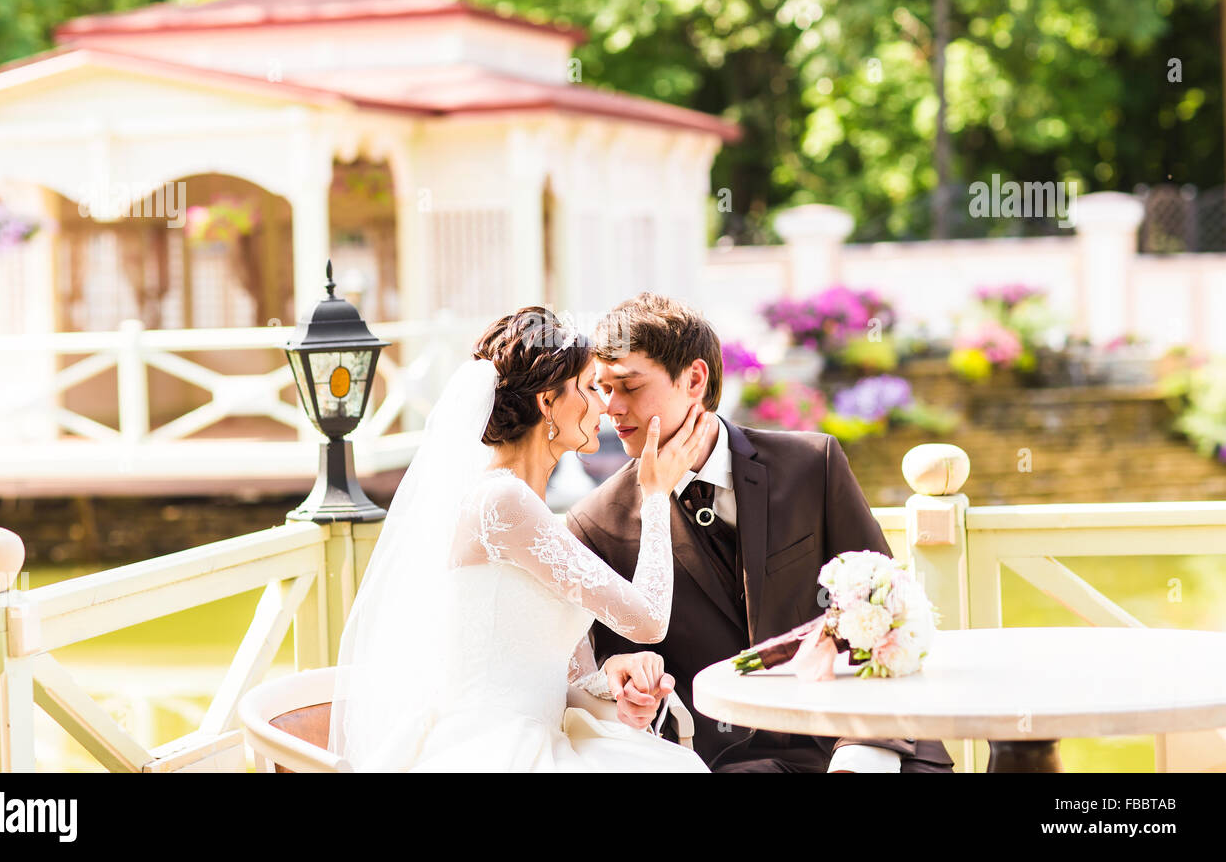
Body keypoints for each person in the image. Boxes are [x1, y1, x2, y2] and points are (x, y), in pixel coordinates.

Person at [566, 293, 956, 773]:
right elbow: (620, 670)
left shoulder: (814, 465)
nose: (611, 408)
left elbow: (887, 608)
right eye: (602, 388)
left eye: (627, 385)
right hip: (732, 762)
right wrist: (633, 691)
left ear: (693, 379)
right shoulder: (595, 524)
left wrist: (859, 755)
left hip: (867, 739)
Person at [328, 306, 710, 771]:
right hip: (491, 747)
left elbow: (563, 679)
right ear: (548, 402)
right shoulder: (501, 502)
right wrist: (653, 494)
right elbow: (649, 621)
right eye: (591, 387)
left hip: (540, 733)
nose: (606, 405)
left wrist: (618, 687)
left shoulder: (528, 513)